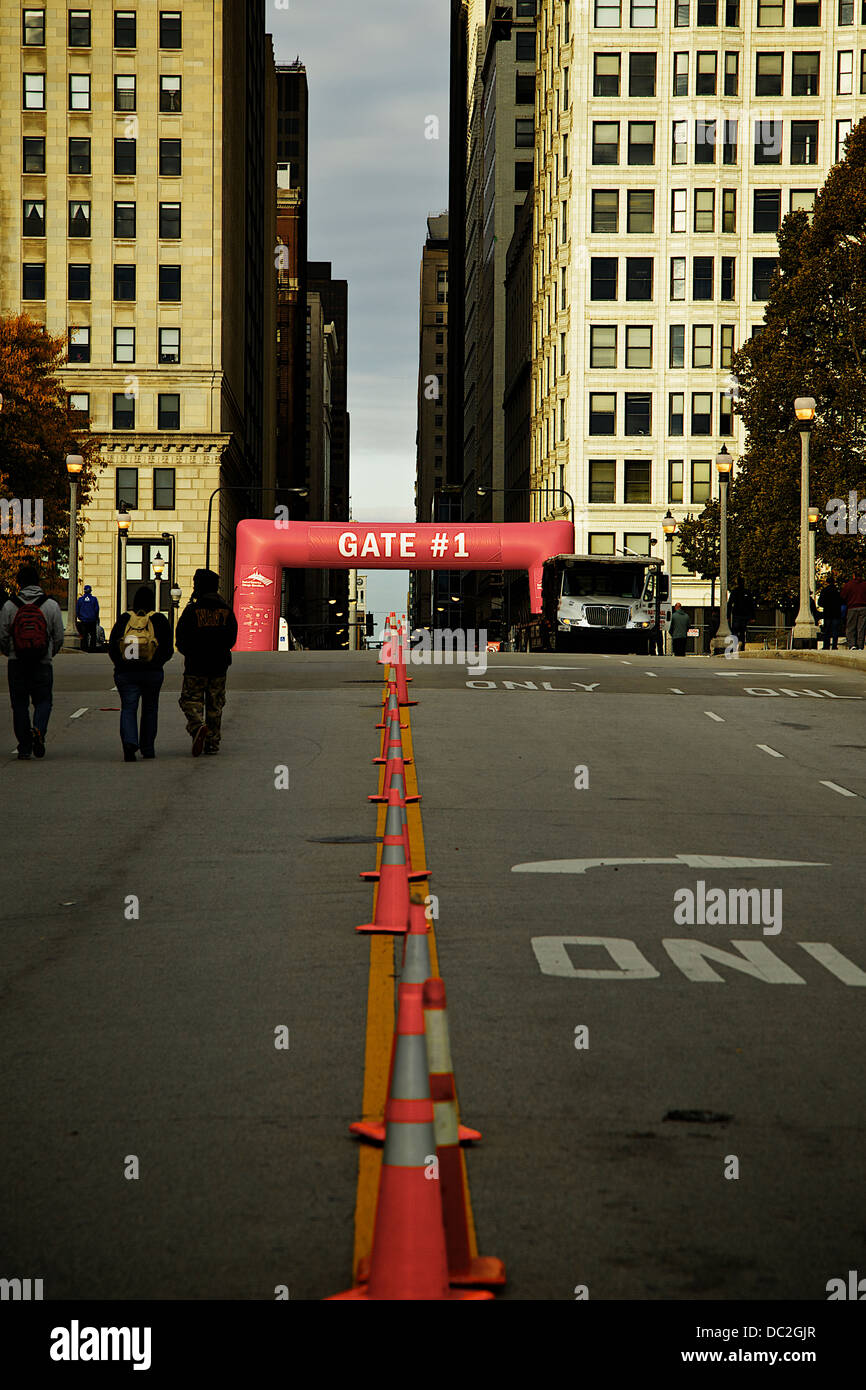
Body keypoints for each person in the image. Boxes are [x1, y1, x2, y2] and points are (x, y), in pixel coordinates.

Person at [0, 563, 65, 759]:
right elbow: (59, 635)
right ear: (38, 583)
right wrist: (50, 653)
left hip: (17, 662)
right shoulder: (51, 605)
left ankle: (25, 745)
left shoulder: (10, 606)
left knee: (19, 704)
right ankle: (38, 729)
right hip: (42, 662)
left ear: (19, 584)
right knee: (44, 701)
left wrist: (8, 652)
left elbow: (2, 635)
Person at [175, 568, 238, 755]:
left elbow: (180, 637)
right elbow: (232, 638)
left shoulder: (192, 610)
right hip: (219, 665)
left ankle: (197, 726)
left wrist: (189, 652)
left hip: (196, 664)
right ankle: (212, 742)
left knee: (189, 700)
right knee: (215, 705)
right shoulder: (226, 610)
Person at [108, 586, 173, 761]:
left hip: (126, 673)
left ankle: (130, 742)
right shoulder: (159, 620)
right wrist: (156, 663)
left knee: (128, 708)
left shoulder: (124, 620)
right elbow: (168, 650)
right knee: (150, 709)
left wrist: (120, 665)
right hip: (152, 673)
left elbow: (113, 647)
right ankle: (148, 748)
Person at [727, 578, 755, 652]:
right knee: (742, 631)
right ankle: (741, 646)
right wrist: (752, 616)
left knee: (735, 631)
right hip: (744, 615)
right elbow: (751, 605)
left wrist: (728, 615)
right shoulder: (747, 592)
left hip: (737, 615)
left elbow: (729, 604)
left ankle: (735, 647)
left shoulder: (735, 592)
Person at [840, 571, 866, 650]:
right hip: (864, 608)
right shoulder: (865, 584)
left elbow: (842, 596)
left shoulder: (848, 585)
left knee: (851, 627)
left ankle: (852, 645)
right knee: (861, 628)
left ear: (853, 576)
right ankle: (860, 646)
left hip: (852, 607)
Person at [75, 584, 100, 651]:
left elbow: (77, 610)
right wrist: (96, 617)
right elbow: (96, 609)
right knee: (93, 635)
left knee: (84, 635)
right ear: (90, 591)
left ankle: (84, 648)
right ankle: (92, 648)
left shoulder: (80, 600)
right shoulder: (94, 599)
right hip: (92, 620)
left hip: (84, 620)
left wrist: (80, 617)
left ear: (84, 591)